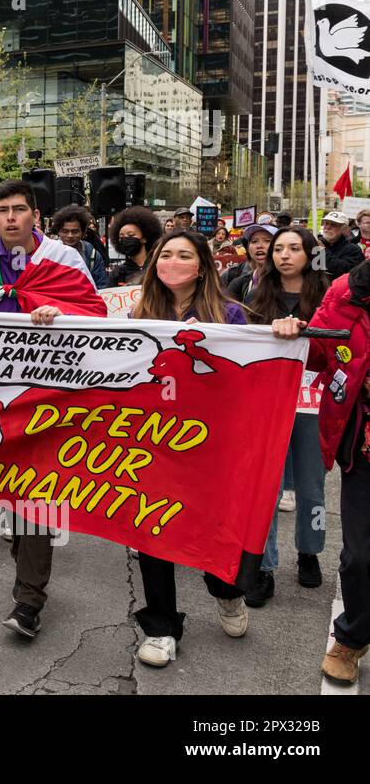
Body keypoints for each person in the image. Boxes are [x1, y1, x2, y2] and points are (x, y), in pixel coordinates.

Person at [128, 229, 304, 668]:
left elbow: (255, 366)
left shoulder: (229, 314)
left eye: (184, 254)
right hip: (153, 443)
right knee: (153, 530)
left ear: (203, 265)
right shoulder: (138, 312)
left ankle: (227, 591)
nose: (172, 261)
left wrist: (282, 333)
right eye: (165, 254)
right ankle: (161, 626)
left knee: (212, 529)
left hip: (212, 446)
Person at [0, 179, 105, 638]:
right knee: (8, 491)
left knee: (40, 490)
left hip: (48, 398)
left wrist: (61, 314)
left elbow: (96, 317)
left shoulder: (64, 260)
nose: (10, 217)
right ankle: (24, 554)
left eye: (19, 209)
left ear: (36, 216)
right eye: (2, 210)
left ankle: (29, 600)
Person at [241, 227, 329, 607]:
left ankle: (309, 552)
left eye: (294, 248)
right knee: (266, 488)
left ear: (310, 253)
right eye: (279, 248)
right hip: (270, 403)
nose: (284, 255)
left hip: (314, 405)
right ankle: (264, 566)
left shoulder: (329, 292)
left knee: (311, 486)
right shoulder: (253, 289)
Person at [306, 258, 370, 683]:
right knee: (360, 555)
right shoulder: (345, 291)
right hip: (363, 447)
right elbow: (316, 357)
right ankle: (350, 637)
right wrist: (292, 333)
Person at [53, 205, 109, 289]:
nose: (70, 235)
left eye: (75, 232)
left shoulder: (93, 256)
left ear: (83, 233)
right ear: (59, 232)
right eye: (65, 231)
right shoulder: (50, 253)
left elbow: (101, 287)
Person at [108, 206, 162, 286]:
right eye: (121, 237)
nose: (125, 239)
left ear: (144, 238)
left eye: (131, 235)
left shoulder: (158, 267)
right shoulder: (118, 273)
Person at [320, 211, 363, 280]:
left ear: (343, 228)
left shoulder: (353, 250)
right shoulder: (315, 243)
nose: (327, 227)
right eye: (326, 223)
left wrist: (322, 251)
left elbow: (345, 271)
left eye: (333, 225)